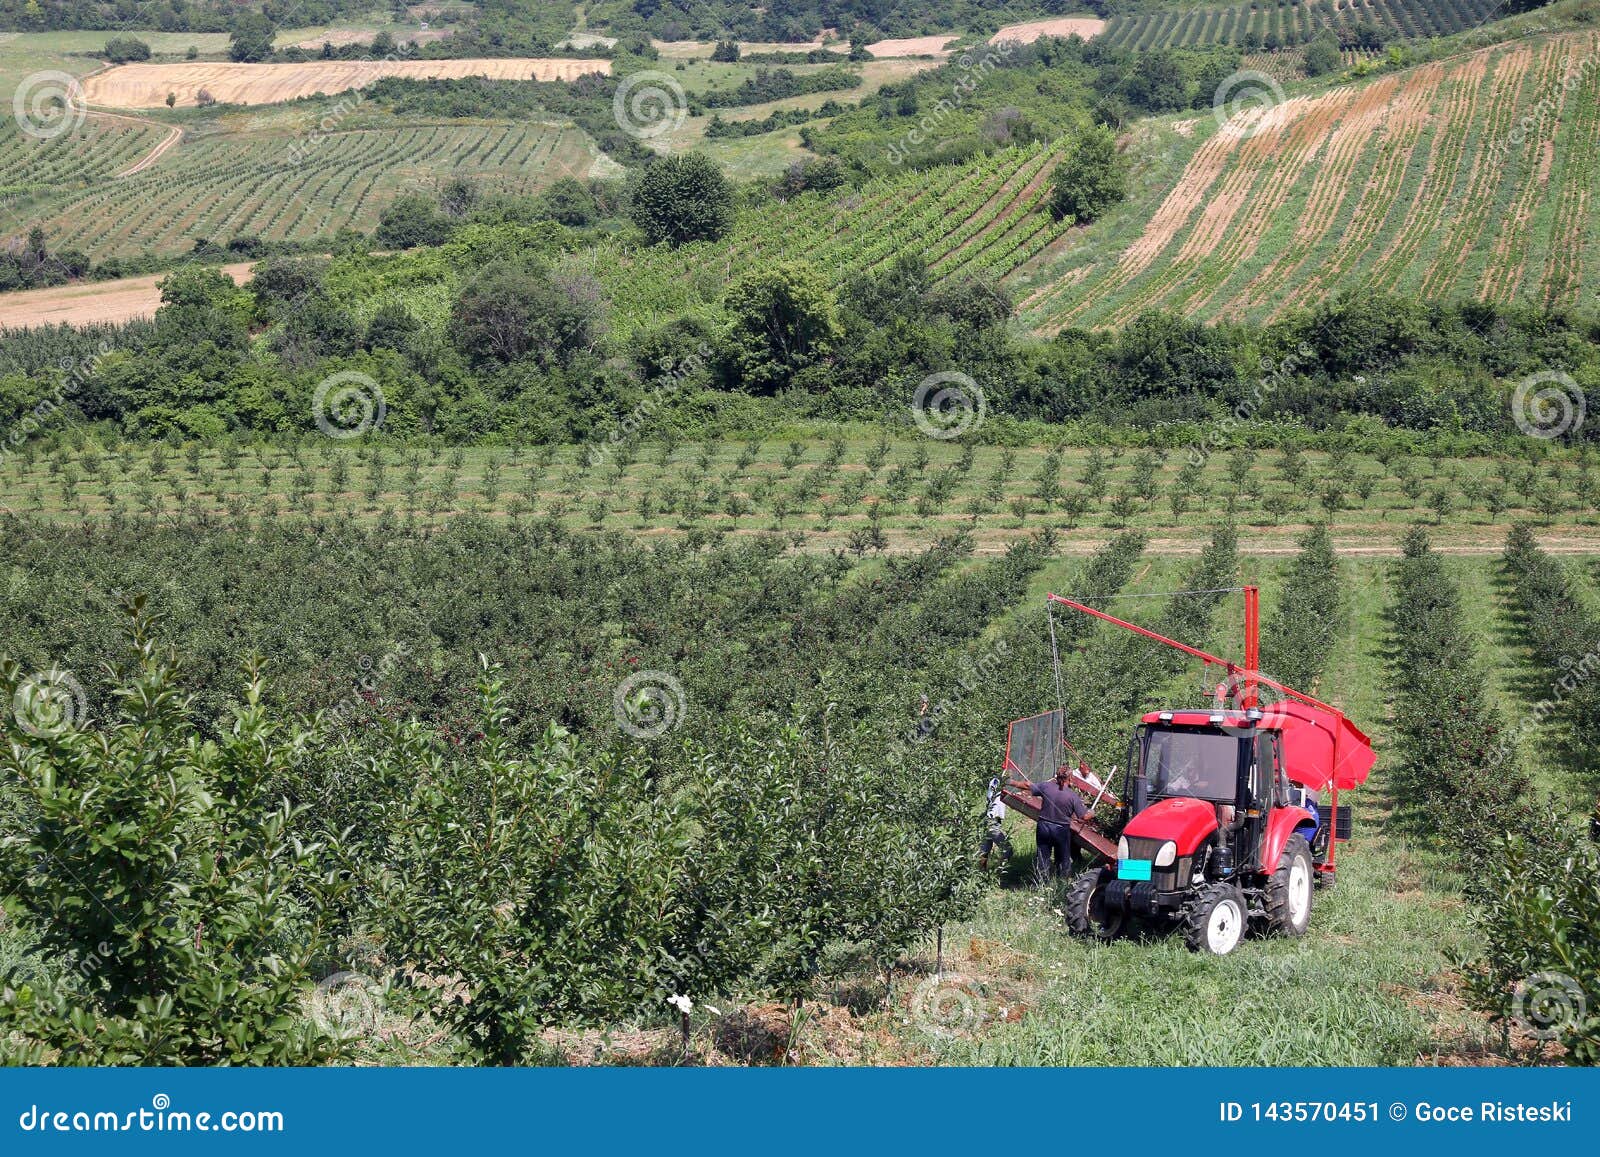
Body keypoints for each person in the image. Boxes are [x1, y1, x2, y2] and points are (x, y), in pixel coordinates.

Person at [1013, 765, 1089, 879]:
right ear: (1070, 778)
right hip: (1061, 830)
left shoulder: (1046, 786)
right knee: (1063, 858)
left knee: (1043, 857)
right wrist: (1092, 812)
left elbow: (1027, 785)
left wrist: (1010, 781)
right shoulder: (1073, 796)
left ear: (1057, 776)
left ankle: (1041, 882)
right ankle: (1062, 881)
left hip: (1043, 827)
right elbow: (1084, 817)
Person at [979, 777, 1013, 870]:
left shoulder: (995, 781)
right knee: (1008, 850)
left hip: (988, 820)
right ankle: (997, 873)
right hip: (992, 821)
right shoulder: (998, 781)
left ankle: (981, 873)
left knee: (984, 851)